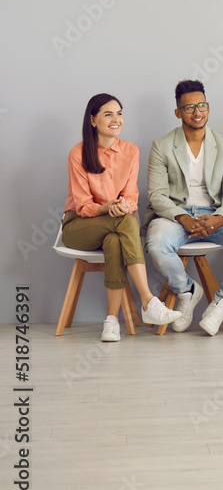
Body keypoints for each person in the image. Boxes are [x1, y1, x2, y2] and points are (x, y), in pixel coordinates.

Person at [143, 80, 223, 336]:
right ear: (178, 112)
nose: (197, 112)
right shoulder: (162, 145)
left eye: (202, 105)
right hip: (175, 216)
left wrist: (219, 218)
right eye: (189, 108)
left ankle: (222, 303)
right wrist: (182, 217)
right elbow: (157, 195)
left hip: (215, 214)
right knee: (156, 244)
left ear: (208, 108)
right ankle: (187, 290)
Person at [62, 94, 181, 341]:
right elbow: (83, 206)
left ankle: (111, 321)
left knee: (116, 240)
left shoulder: (130, 150)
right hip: (78, 226)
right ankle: (148, 301)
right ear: (93, 120)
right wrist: (107, 208)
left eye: (119, 113)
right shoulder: (79, 153)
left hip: (114, 224)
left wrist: (122, 206)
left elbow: (131, 197)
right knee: (125, 223)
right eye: (108, 114)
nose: (116, 119)